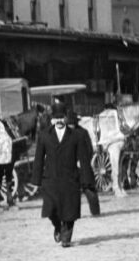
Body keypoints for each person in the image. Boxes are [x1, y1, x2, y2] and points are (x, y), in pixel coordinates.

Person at [31, 102, 96, 248]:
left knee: (69, 210)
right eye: (56, 118)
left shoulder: (76, 136)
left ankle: (66, 237)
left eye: (61, 117)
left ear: (66, 118)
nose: (59, 121)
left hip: (70, 179)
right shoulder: (44, 136)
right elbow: (38, 159)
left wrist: (86, 180)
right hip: (50, 180)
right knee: (50, 210)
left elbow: (84, 160)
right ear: (51, 120)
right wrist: (36, 181)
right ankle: (57, 226)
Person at [66, 109, 101, 216]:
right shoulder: (83, 132)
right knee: (89, 190)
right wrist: (85, 161)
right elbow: (90, 149)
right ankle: (95, 212)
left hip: (74, 168)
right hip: (83, 166)